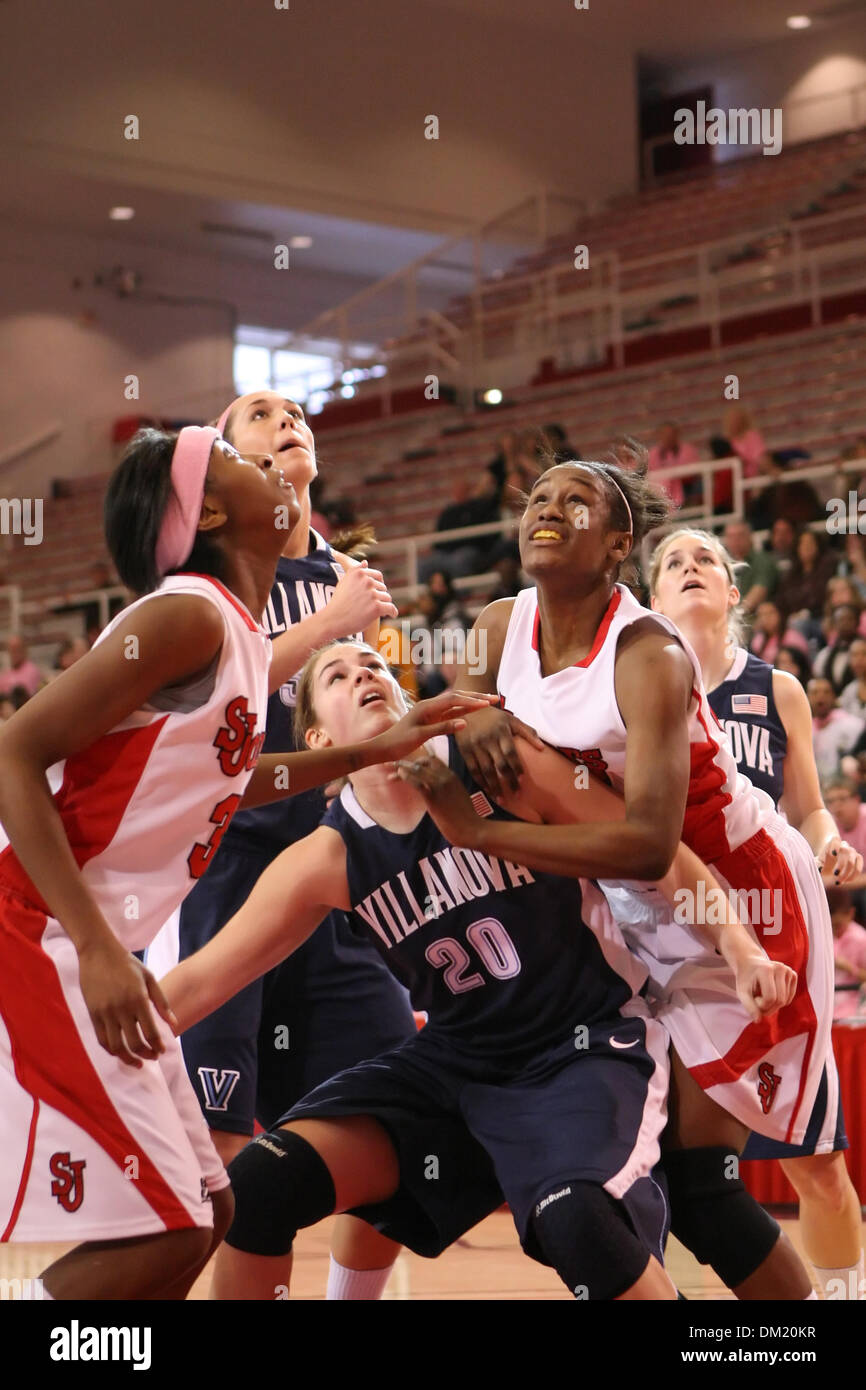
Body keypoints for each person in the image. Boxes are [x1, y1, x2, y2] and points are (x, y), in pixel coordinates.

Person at [0, 425, 483, 1300]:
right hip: (36, 926)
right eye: (238, 461)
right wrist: (101, 949)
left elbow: (227, 776)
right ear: (213, 510)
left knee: (212, 1207)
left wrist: (365, 751)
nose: (265, 463)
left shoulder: (239, 637)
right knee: (175, 1222)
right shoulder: (182, 613)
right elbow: (12, 753)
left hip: (83, 931)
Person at [162, 639, 792, 1302]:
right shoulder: (325, 857)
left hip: (583, 1047)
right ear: (319, 738)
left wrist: (742, 947)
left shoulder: (495, 764)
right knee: (259, 1188)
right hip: (458, 1062)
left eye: (375, 666)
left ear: (408, 699)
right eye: (340, 676)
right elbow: (203, 980)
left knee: (579, 1221)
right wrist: (93, 1041)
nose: (366, 675)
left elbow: (656, 852)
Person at [450, 455, 836, 1299]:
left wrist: (492, 833)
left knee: (703, 1186)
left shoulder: (647, 652)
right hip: (621, 899)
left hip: (735, 891)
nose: (548, 510)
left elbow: (650, 847)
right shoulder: (495, 627)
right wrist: (471, 711)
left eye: (575, 503)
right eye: (539, 498)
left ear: (619, 542)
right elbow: (455, 732)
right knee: (627, 1167)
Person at [145, 389, 420, 1302]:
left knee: (383, 1117)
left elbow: (385, 728)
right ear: (220, 471)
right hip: (228, 866)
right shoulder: (206, 568)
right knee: (226, 1136)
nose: (286, 418)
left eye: (297, 410)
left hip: (346, 866)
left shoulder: (358, 582)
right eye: (259, 412)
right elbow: (217, 682)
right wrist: (332, 626)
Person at [647, 527, 864, 1300]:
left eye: (705, 557)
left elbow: (808, 808)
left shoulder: (776, 689)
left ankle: (845, 1296)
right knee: (668, 1157)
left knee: (816, 1160)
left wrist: (831, 843)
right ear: (652, 598)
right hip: (673, 936)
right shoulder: (635, 687)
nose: (691, 568)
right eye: (672, 562)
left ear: (734, 591)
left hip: (773, 927)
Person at [721, 521, 778, 629]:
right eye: (731, 536)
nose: (735, 540)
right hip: (730, 618)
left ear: (750, 537)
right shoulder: (723, 566)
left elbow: (755, 597)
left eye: (740, 535)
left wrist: (733, 617)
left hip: (755, 619)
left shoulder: (762, 561)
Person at [808, 678, 864, 783]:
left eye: (826, 692)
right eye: (815, 692)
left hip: (845, 785)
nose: (821, 697)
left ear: (834, 697)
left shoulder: (852, 724)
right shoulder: (804, 728)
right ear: (807, 697)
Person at [827, 888, 866, 1019]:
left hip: (852, 1011)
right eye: (831, 925)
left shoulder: (861, 938)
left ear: (851, 913)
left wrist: (849, 967)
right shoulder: (821, 936)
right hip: (825, 1007)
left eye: (838, 925)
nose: (835, 929)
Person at [646, 421, 699, 509]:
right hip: (662, 489)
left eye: (671, 434)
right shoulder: (652, 454)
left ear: (677, 434)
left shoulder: (688, 450)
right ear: (659, 436)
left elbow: (695, 471)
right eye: (665, 434)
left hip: (686, 486)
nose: (668, 437)